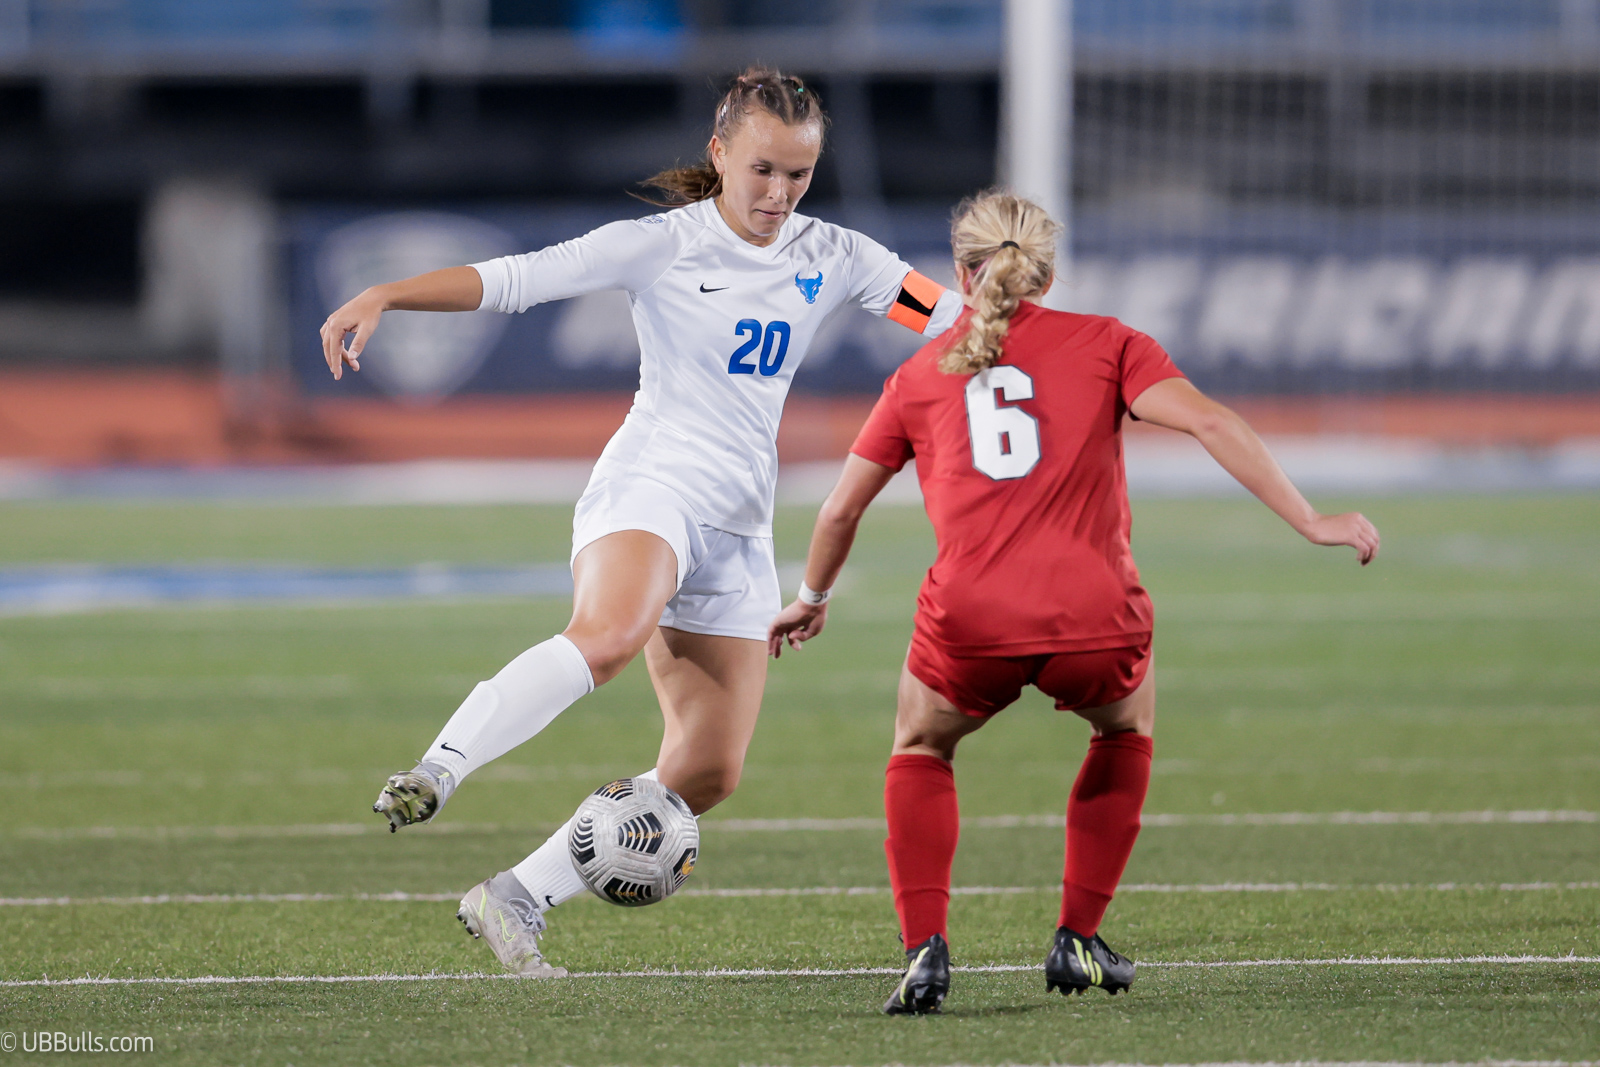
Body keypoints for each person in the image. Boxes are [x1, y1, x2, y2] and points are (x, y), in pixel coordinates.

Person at [318, 68, 963, 977]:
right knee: (609, 634)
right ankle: (438, 768)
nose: (779, 194)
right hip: (651, 486)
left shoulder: (835, 256)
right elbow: (519, 279)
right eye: (763, 170)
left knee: (707, 770)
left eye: (799, 175)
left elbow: (944, 317)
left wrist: (1042, 347)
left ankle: (514, 897)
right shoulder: (661, 246)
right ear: (719, 154)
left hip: (738, 528)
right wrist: (387, 293)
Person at [767, 190, 1380, 1015]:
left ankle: (924, 952)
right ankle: (1078, 936)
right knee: (1125, 728)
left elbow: (840, 508)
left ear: (961, 270)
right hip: (1094, 615)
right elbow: (1210, 421)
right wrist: (1311, 518)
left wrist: (811, 596)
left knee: (920, 745)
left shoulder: (918, 372)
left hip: (970, 621)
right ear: (1049, 271)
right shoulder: (1110, 343)